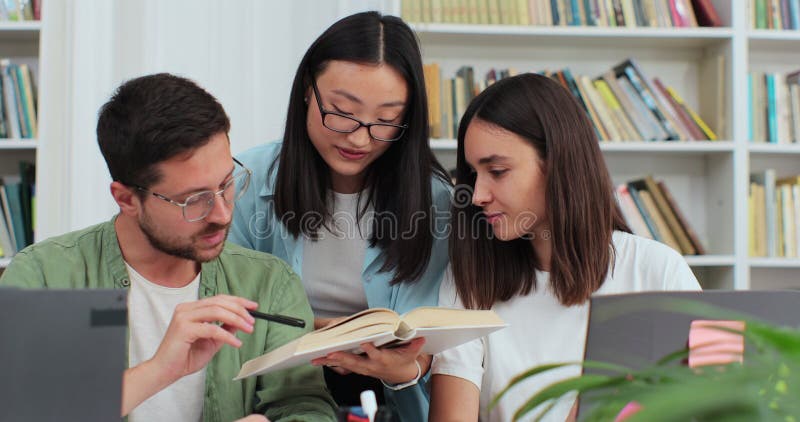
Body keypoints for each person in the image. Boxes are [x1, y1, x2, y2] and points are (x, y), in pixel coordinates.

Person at [0, 73, 337, 422]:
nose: (222, 214)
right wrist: (160, 369)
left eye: (226, 184)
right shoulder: (44, 276)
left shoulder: (269, 283)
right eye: (194, 200)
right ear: (126, 199)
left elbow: (306, 407)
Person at [428, 73, 702, 422]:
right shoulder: (470, 278)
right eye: (472, 174)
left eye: (497, 171)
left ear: (557, 163)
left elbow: (717, 403)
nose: (478, 195)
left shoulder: (656, 271)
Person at [229, 11, 451, 421]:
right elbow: (224, 310)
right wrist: (308, 330)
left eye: (386, 121)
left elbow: (441, 343)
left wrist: (412, 364)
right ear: (306, 92)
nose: (360, 138)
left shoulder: (437, 202)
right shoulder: (243, 181)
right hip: (273, 392)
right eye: (342, 112)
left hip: (393, 397)